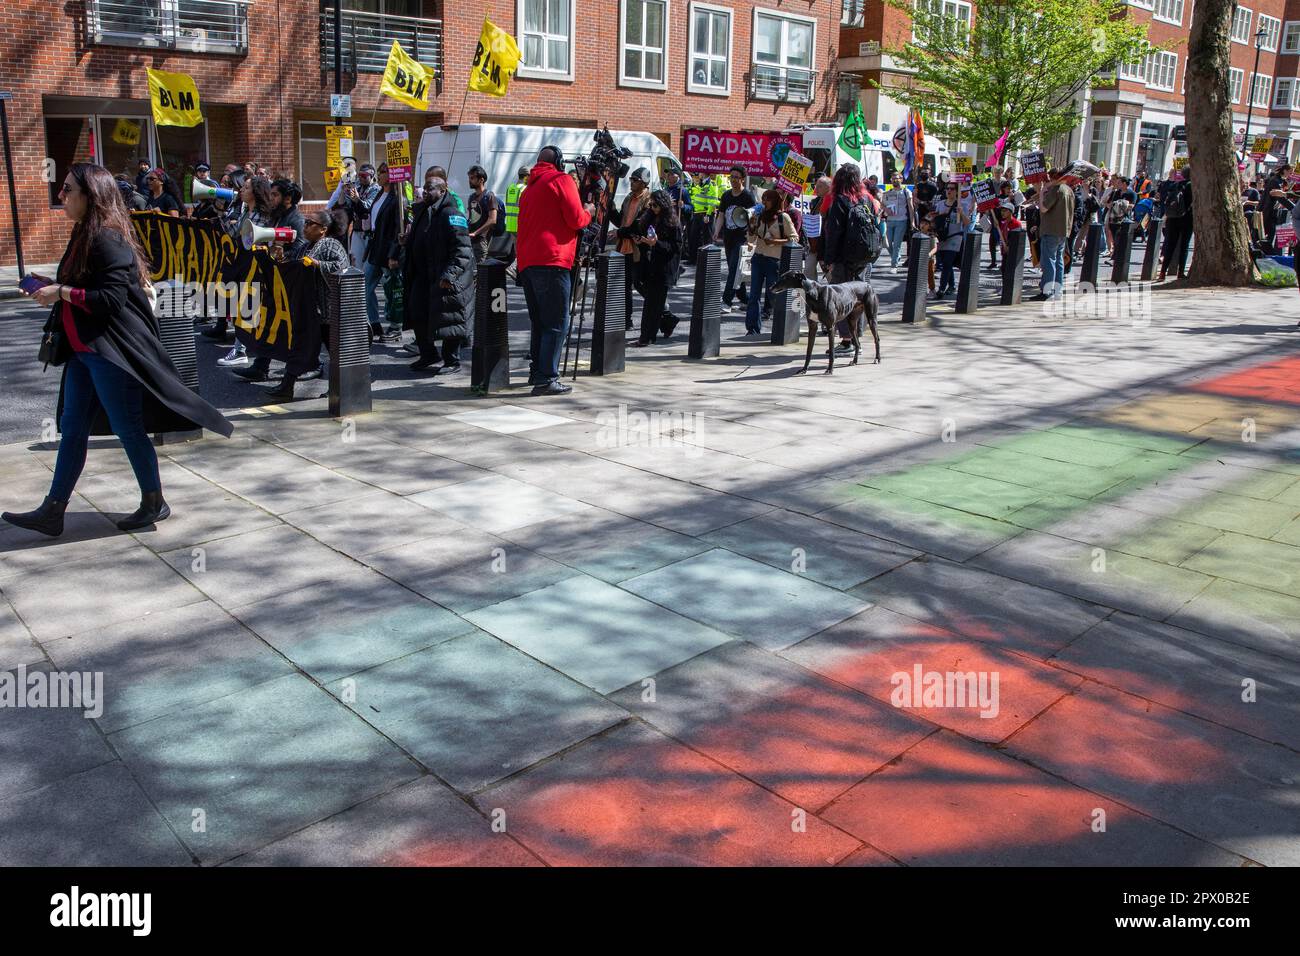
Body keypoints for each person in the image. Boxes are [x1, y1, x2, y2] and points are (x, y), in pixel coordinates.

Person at [2, 163, 232, 537]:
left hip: (111, 353)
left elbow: (108, 299)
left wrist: (60, 292)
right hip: (83, 352)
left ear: (90, 195)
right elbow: (84, 285)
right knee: (72, 429)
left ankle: (154, 502)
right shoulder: (84, 234)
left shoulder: (107, 238)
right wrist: (52, 284)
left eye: (67, 189)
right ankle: (53, 510)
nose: (61, 195)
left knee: (128, 428)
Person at [517, 145, 595, 396]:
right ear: (560, 163)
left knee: (539, 322)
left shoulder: (529, 189)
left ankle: (536, 372)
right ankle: (547, 378)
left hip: (528, 263)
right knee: (557, 322)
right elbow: (576, 219)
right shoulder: (561, 180)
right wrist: (589, 212)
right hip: (552, 260)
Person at [266, 209, 351, 401]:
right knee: (300, 348)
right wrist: (280, 258)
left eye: (309, 223)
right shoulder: (306, 246)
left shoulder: (332, 245)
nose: (304, 226)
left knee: (336, 354)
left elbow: (341, 268)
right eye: (305, 222)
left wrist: (317, 264)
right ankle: (287, 386)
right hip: (312, 311)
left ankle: (342, 389)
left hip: (330, 312)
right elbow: (293, 265)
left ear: (323, 229)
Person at [404, 176, 474, 375]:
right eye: (424, 188)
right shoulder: (422, 211)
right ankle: (428, 354)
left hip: (446, 277)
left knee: (449, 318)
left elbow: (463, 249)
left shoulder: (452, 214)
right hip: (423, 274)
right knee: (417, 312)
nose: (425, 192)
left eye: (430, 189)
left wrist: (450, 275)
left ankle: (452, 360)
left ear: (442, 191)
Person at [629, 189, 683, 346]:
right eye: (651, 204)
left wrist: (656, 243)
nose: (652, 208)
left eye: (655, 205)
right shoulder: (649, 217)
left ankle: (646, 337)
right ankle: (665, 323)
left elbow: (676, 247)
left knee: (653, 305)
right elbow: (642, 234)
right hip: (649, 265)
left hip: (663, 268)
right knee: (652, 303)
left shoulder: (672, 222)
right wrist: (642, 241)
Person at [744, 189, 797, 337]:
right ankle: (752, 329)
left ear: (775, 201)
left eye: (768, 199)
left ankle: (782, 326)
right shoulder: (760, 217)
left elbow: (794, 239)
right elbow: (751, 240)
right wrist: (752, 227)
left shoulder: (783, 218)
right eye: (763, 199)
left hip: (774, 262)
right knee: (754, 296)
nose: (764, 202)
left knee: (774, 294)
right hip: (758, 259)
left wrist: (775, 241)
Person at [715, 165, 756, 312]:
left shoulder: (748, 196)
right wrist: (716, 232)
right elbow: (721, 215)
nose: (733, 180)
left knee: (733, 269)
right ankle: (745, 299)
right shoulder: (726, 196)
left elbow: (754, 218)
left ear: (742, 179)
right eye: (731, 177)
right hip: (728, 238)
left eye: (736, 177)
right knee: (737, 270)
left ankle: (726, 302)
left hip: (742, 238)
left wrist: (750, 238)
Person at [1036, 168, 1073, 299]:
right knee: (1059, 261)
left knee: (1049, 261)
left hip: (1051, 229)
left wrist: (1041, 193)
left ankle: (1047, 291)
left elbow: (1044, 208)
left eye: (1049, 178)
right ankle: (1058, 290)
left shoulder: (1055, 190)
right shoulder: (1069, 190)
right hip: (1063, 230)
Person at [932, 181, 969, 299]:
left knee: (947, 262)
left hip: (955, 236)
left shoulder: (961, 205)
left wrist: (961, 213)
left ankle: (942, 288)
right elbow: (933, 219)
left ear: (956, 191)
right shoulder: (940, 204)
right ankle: (952, 285)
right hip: (942, 237)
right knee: (946, 263)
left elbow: (967, 223)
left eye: (952, 189)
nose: (949, 190)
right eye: (947, 188)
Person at [1158, 171, 1193, 281]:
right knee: (1184, 246)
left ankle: (1163, 272)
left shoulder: (1174, 185)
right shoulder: (1192, 186)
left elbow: (1164, 199)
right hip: (1187, 218)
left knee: (1169, 245)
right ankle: (1181, 272)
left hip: (1172, 218)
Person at [881, 171, 915, 273]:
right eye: (893, 178)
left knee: (897, 244)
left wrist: (912, 222)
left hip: (901, 221)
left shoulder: (906, 192)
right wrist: (886, 209)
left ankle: (894, 266)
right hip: (890, 221)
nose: (895, 180)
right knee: (887, 244)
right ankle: (897, 256)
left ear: (901, 179)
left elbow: (911, 207)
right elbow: (882, 204)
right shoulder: (888, 192)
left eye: (897, 178)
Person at [465, 164, 498, 262]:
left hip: (482, 240)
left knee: (481, 272)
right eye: (469, 178)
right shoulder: (471, 197)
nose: (469, 180)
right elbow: (471, 218)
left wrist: (476, 233)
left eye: (472, 178)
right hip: (471, 239)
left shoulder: (489, 196)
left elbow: (493, 220)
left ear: (481, 179)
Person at [803, 175, 831, 280]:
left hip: (825, 244)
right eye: (816, 186)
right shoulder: (815, 202)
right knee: (808, 272)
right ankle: (812, 295)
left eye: (819, 186)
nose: (816, 189)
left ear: (828, 187)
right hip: (813, 243)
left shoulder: (834, 202)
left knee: (829, 276)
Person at [1263, 163, 1291, 249]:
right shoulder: (1275, 181)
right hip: (1269, 211)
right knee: (1269, 233)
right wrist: (1294, 208)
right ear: (1285, 171)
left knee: (1271, 233)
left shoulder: (1279, 180)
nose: (1290, 175)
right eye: (1290, 172)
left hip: (1272, 211)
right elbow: (1280, 197)